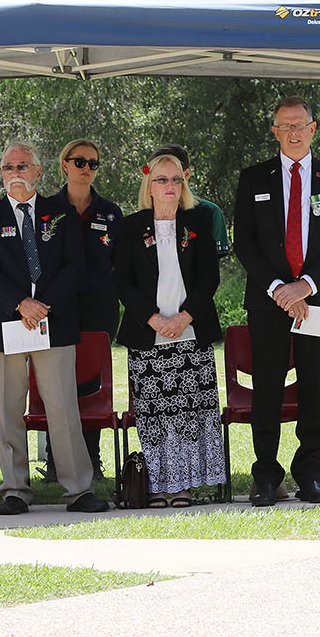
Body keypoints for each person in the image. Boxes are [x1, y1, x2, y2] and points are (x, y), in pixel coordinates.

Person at [0, 141, 109, 515]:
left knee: (63, 406)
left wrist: (43, 307)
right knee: (7, 409)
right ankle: (14, 489)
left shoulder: (60, 214)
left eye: (22, 166)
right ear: (1, 174)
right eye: (8, 167)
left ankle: (78, 490)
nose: (15, 173)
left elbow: (72, 267)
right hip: (5, 323)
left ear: (39, 172)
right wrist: (21, 304)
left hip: (54, 320)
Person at [233, 96, 320, 506]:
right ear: (275, 131)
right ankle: (267, 475)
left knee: (313, 389)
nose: (294, 132)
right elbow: (244, 243)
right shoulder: (254, 179)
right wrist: (278, 289)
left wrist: (304, 285)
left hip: (318, 299)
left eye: (300, 124)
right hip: (268, 300)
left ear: (313, 128)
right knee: (267, 385)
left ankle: (311, 474)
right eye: (285, 125)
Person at [114, 151, 225, 506]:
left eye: (176, 180)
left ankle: (184, 486)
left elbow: (210, 277)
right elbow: (122, 282)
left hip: (190, 333)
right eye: (162, 180)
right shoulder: (131, 227)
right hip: (148, 335)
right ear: (149, 185)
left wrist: (184, 317)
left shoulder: (198, 223)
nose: (170, 187)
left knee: (190, 414)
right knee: (154, 414)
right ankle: (157, 486)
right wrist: (155, 318)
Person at [45, 138, 123, 481]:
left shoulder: (110, 212)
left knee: (91, 384)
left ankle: (92, 458)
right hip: (56, 308)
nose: (87, 169)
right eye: (80, 162)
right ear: (64, 165)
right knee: (56, 384)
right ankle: (55, 462)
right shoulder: (46, 209)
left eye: (93, 163)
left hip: (98, 308)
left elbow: (121, 261)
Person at [148, 144, 231, 257]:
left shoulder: (211, 212)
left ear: (186, 174)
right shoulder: (145, 211)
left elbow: (212, 264)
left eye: (173, 177)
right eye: (159, 177)